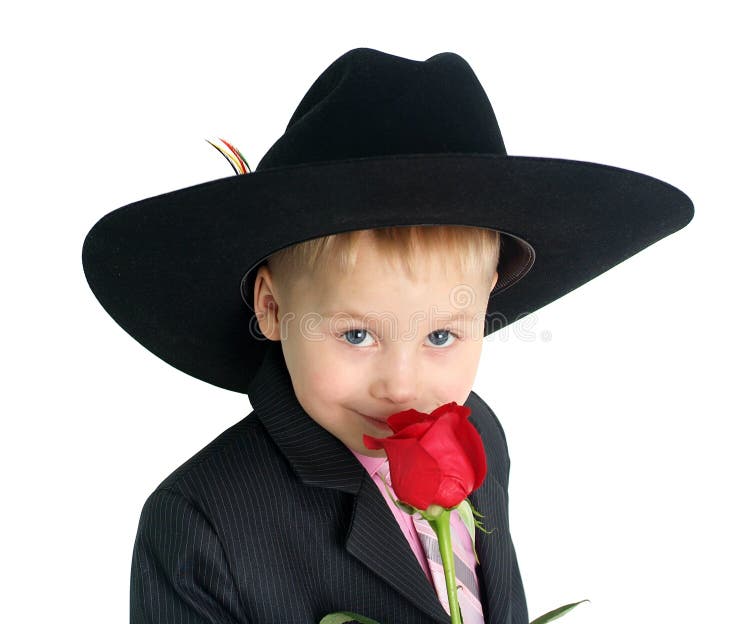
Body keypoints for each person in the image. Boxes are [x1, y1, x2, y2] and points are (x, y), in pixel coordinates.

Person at [81, 47, 693, 624]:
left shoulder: (476, 433)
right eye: (356, 335)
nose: (402, 386)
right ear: (271, 307)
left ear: (486, 306)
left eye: (441, 336)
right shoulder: (200, 521)